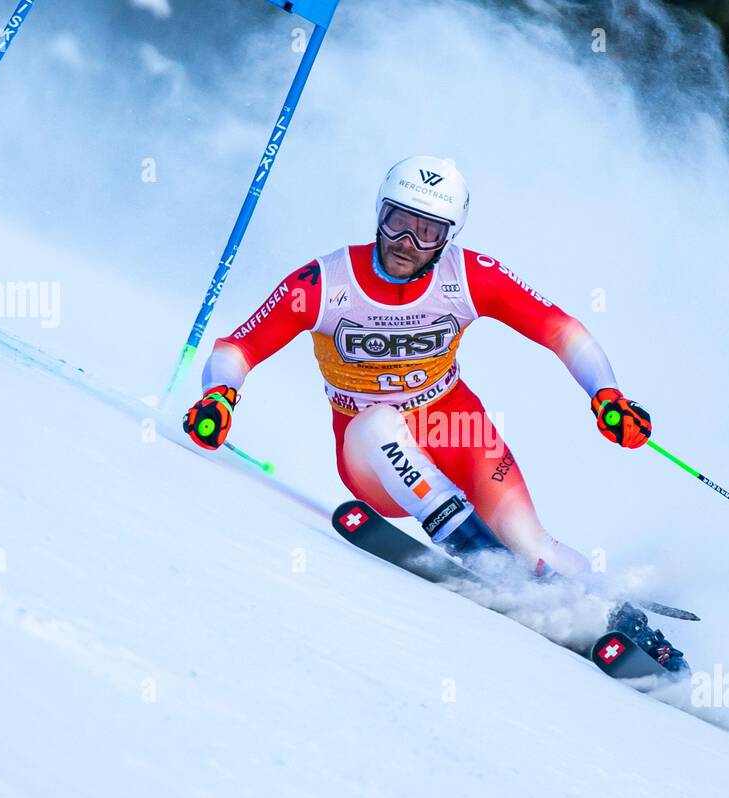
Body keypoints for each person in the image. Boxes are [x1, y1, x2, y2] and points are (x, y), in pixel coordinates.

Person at [184, 156, 683, 669]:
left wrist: (606, 395)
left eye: (428, 232)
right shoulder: (327, 282)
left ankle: (642, 636)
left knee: (535, 549)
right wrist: (221, 395)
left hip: (457, 428)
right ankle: (474, 550)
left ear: (449, 235)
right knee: (378, 423)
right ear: (380, 213)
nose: (408, 242)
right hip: (373, 456)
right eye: (398, 222)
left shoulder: (469, 276)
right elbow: (237, 347)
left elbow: (562, 330)